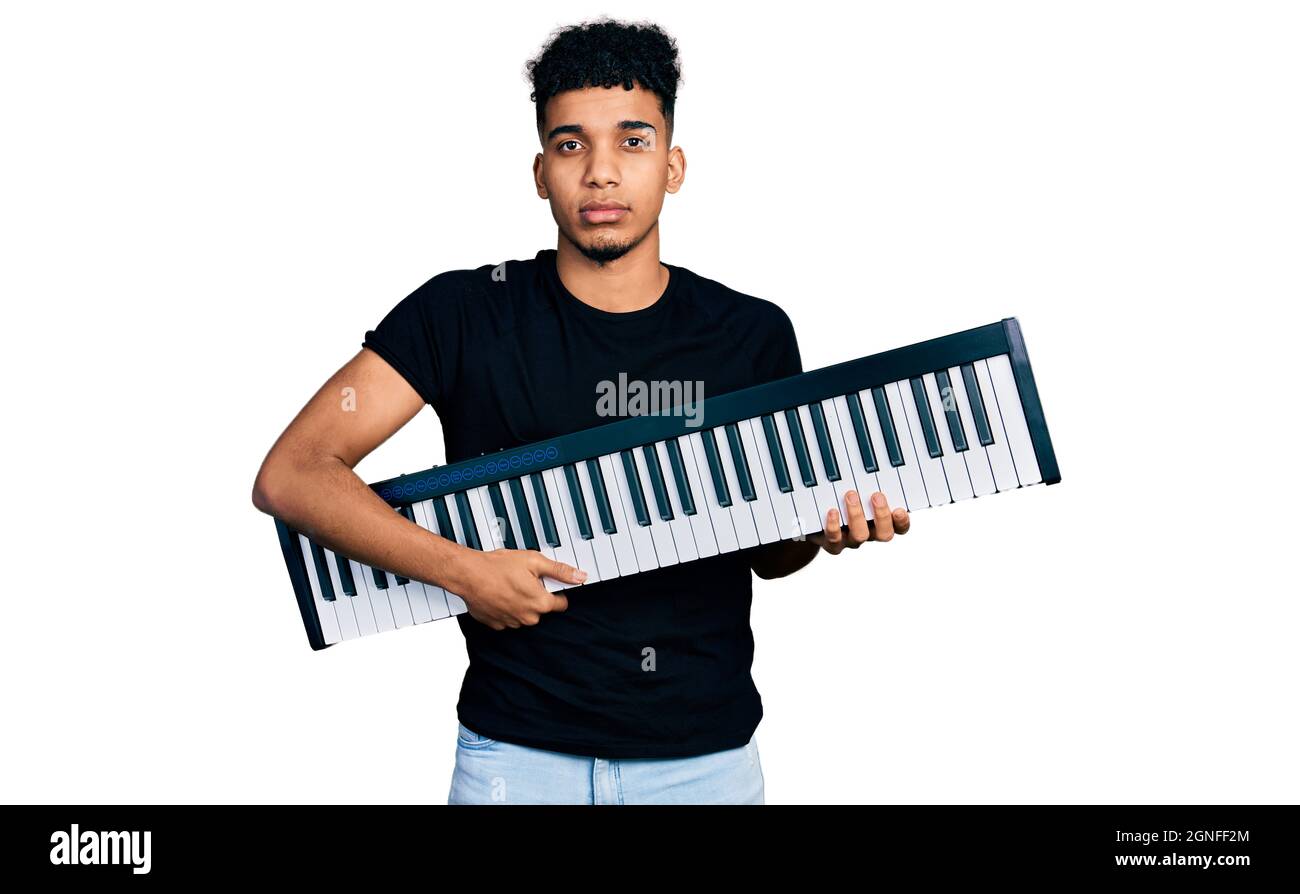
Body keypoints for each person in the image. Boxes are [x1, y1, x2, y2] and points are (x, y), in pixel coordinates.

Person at [252, 16, 910, 805]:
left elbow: (768, 551)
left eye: (632, 142)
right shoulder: (462, 314)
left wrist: (817, 530)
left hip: (705, 763)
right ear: (540, 171)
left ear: (673, 166)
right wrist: (465, 575)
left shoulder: (750, 332)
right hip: (514, 757)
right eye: (572, 145)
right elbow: (292, 475)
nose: (601, 173)